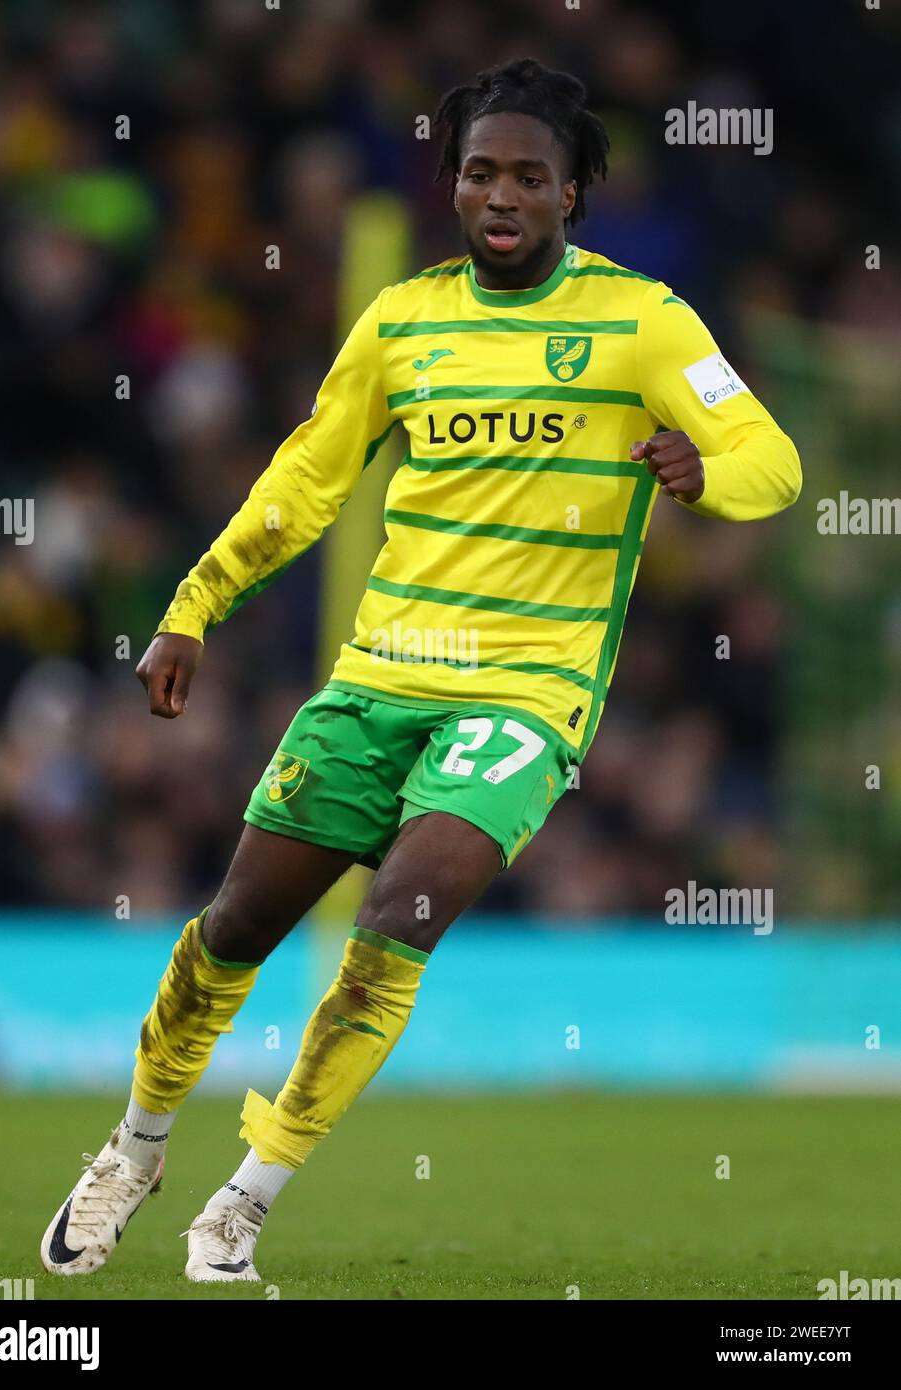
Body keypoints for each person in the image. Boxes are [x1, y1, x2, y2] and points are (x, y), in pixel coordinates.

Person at [41, 56, 800, 1282]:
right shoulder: (399, 319)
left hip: (525, 692)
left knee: (403, 913)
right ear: (450, 185)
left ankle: (245, 1194)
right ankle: (134, 1146)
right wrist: (193, 604)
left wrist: (707, 473)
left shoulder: (644, 320)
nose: (502, 194)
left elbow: (772, 458)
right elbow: (305, 479)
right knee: (236, 925)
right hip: (380, 674)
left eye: (529, 176)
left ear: (570, 196)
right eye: (479, 172)